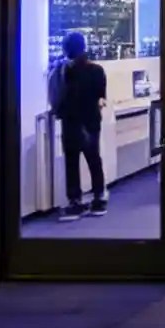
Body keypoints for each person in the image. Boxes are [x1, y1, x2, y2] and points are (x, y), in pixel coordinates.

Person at [51, 32, 109, 221]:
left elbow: (58, 98)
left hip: (71, 122)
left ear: (66, 49)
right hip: (91, 121)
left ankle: (75, 201)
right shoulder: (97, 70)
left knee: (72, 162)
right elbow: (101, 96)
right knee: (94, 159)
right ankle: (99, 198)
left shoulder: (63, 71)